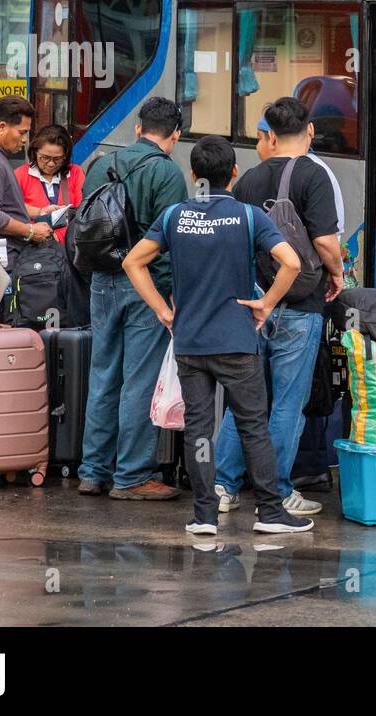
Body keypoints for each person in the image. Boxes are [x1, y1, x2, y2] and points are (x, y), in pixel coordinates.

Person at [123, 135, 310, 535]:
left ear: (194, 175)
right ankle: (271, 513)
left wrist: (162, 310)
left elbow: (132, 261)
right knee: (252, 426)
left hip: (189, 341)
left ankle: (204, 515)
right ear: (235, 173)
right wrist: (267, 303)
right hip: (237, 343)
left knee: (198, 428)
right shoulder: (247, 217)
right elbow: (291, 262)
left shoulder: (174, 216)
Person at [212, 97, 343, 517]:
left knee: (245, 400)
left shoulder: (248, 179)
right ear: (308, 131)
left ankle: (224, 486)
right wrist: (337, 272)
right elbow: (324, 241)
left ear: (268, 135)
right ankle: (280, 490)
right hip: (300, 305)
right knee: (287, 402)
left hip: (254, 303)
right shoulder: (315, 175)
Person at [77, 96, 189, 501]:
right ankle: (132, 476)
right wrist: (169, 295)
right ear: (175, 135)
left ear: (139, 128)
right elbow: (170, 241)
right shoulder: (167, 173)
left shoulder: (101, 165)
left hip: (101, 281)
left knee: (103, 375)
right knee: (138, 380)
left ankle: (92, 471)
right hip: (145, 286)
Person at [0, 96, 51, 263]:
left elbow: (7, 207)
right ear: (1, 127)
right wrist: (30, 231)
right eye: (22, 132)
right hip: (5, 258)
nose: (24, 139)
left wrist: (40, 212)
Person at [15, 124, 84, 243]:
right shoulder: (20, 175)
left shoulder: (75, 173)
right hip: (31, 246)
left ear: (66, 156)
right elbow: (11, 213)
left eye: (57, 159)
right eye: (45, 158)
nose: (51, 164)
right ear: (35, 151)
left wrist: (59, 237)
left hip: (67, 247)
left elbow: (83, 214)